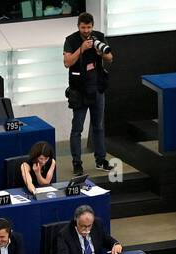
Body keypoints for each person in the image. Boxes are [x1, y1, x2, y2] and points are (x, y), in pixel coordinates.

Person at [64, 12, 114, 174]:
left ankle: (101, 160)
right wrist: (81, 49)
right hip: (79, 90)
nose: (86, 30)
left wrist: (102, 53)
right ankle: (77, 163)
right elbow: (67, 62)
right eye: (83, 27)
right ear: (78, 26)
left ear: (93, 26)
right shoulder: (71, 40)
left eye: (89, 27)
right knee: (77, 128)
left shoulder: (98, 37)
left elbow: (110, 58)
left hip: (97, 88)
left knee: (98, 126)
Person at [55, 204, 122, 254]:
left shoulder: (97, 224)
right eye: (83, 226)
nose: (86, 229)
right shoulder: (65, 233)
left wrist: (116, 244)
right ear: (76, 221)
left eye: (89, 226)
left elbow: (107, 239)